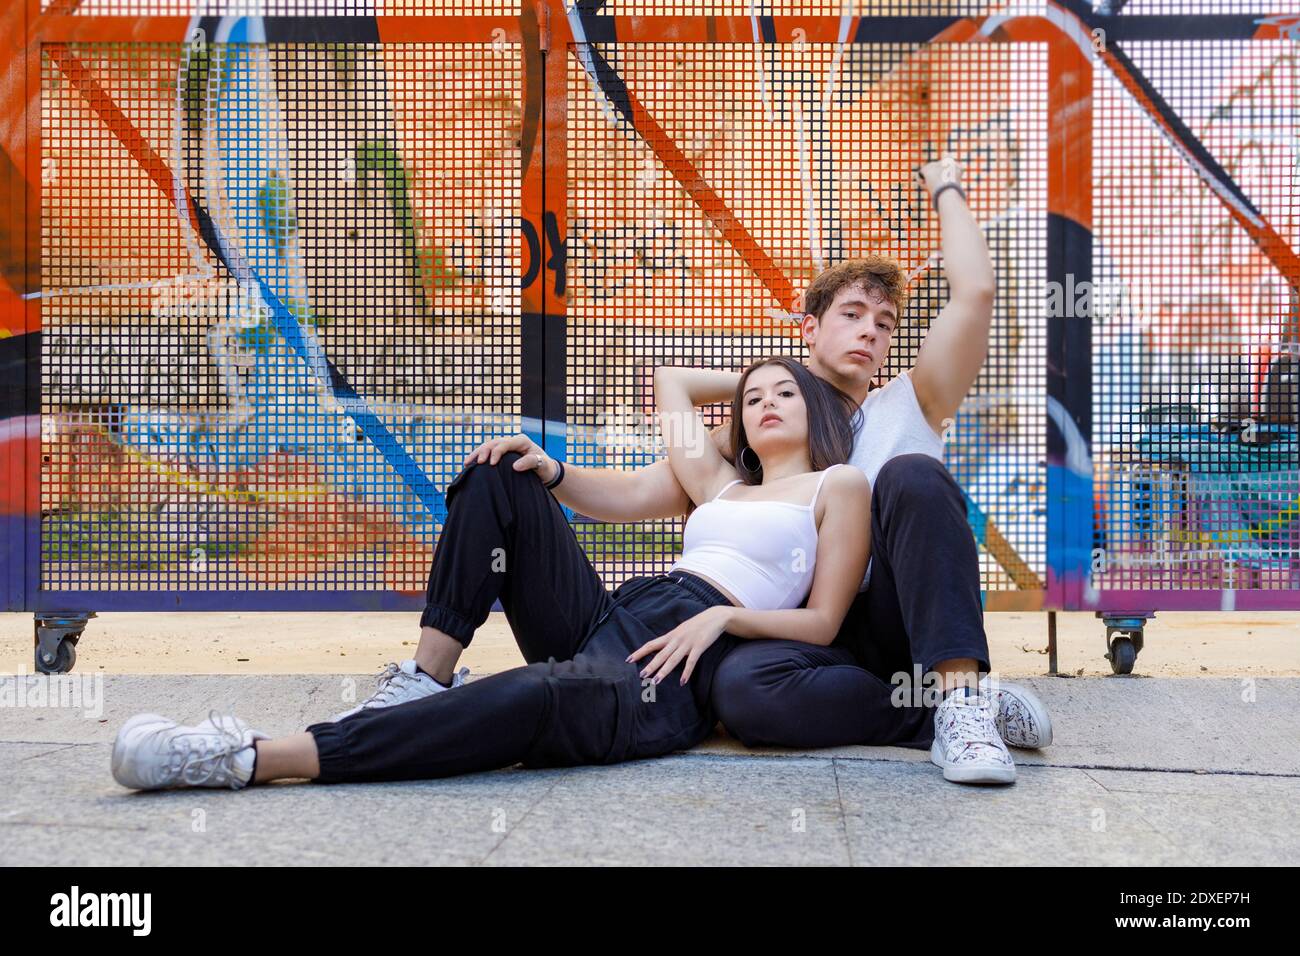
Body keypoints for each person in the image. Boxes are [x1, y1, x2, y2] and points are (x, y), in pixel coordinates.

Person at [330, 156, 1052, 785]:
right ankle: (424, 681)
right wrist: (556, 472)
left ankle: (960, 701)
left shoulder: (911, 402)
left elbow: (976, 296)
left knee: (912, 480)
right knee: (741, 696)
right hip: (784, 641)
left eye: (885, 322)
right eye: (852, 314)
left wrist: (947, 185)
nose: (870, 330)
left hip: (882, 623)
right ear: (809, 328)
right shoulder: (764, 431)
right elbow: (647, 480)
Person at [110, 357, 878, 791]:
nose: (766, 402)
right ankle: (424, 675)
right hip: (616, 613)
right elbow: (671, 381)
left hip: (679, 665)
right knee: (502, 470)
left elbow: (824, 625)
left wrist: (724, 619)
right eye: (753, 397)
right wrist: (552, 470)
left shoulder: (836, 488)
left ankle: (249, 755)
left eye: (786, 393)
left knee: (542, 693)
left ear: (817, 408)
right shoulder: (719, 484)